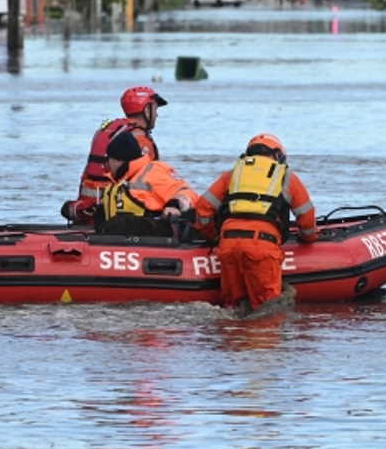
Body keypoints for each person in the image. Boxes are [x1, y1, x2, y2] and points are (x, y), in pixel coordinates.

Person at [194, 134, 318, 312]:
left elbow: (203, 209)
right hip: (262, 246)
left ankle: (233, 338)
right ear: (278, 155)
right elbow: (306, 217)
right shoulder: (286, 176)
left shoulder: (232, 175)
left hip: (228, 245)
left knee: (232, 308)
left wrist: (212, 236)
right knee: (267, 312)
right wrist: (309, 238)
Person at [61, 86, 167, 224]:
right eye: (155, 109)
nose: (157, 115)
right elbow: (153, 182)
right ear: (147, 110)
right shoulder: (141, 140)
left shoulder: (106, 130)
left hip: (87, 213)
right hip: (115, 217)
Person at [95, 130, 198, 238]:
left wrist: (174, 205)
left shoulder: (152, 172)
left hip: (154, 236)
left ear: (117, 160)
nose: (107, 165)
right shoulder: (118, 183)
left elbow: (188, 193)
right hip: (121, 242)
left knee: (122, 223)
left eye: (109, 159)